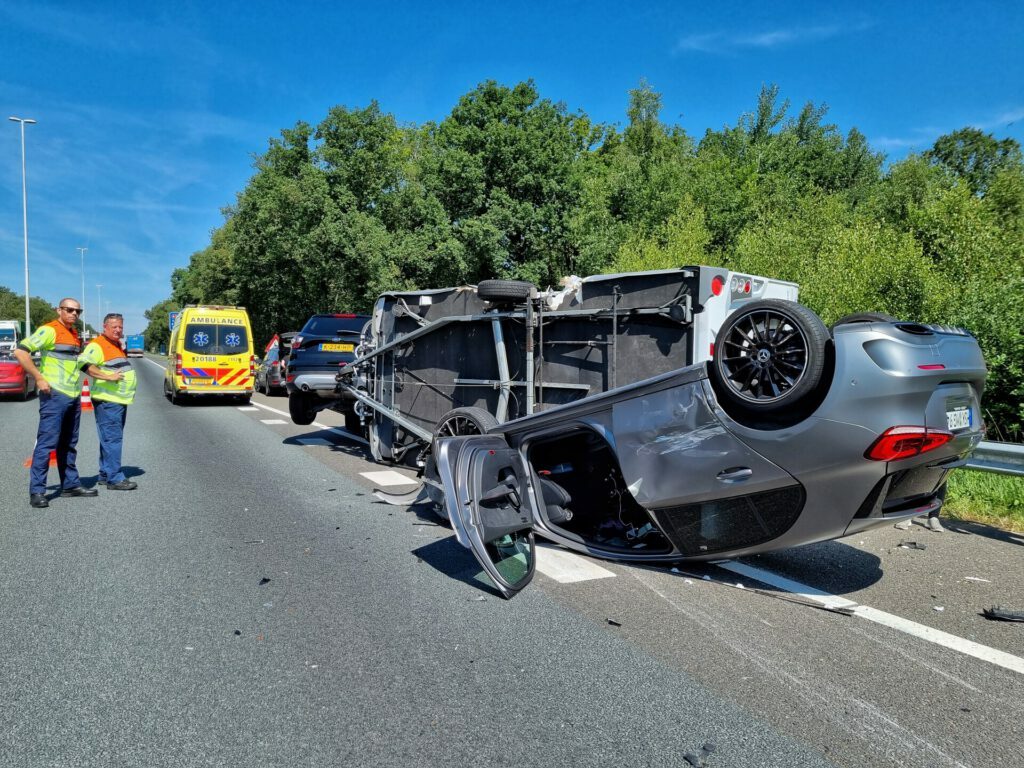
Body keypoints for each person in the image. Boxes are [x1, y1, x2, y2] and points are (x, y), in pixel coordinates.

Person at [14, 298, 98, 508]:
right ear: (59, 310)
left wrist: (104, 375)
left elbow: (78, 364)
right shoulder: (49, 330)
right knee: (47, 443)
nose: (74, 314)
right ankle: (37, 491)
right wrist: (39, 378)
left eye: (78, 311)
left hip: (72, 396)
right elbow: (21, 352)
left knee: (69, 443)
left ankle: (70, 485)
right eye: (69, 310)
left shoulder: (73, 334)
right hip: (54, 396)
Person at [78, 313, 138, 490]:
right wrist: (107, 376)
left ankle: (105, 473)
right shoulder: (98, 344)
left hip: (117, 399)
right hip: (108, 400)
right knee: (113, 439)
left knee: (109, 438)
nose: (118, 330)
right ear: (105, 327)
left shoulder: (115, 344)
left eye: (120, 327)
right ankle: (115, 478)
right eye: (114, 327)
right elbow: (82, 363)